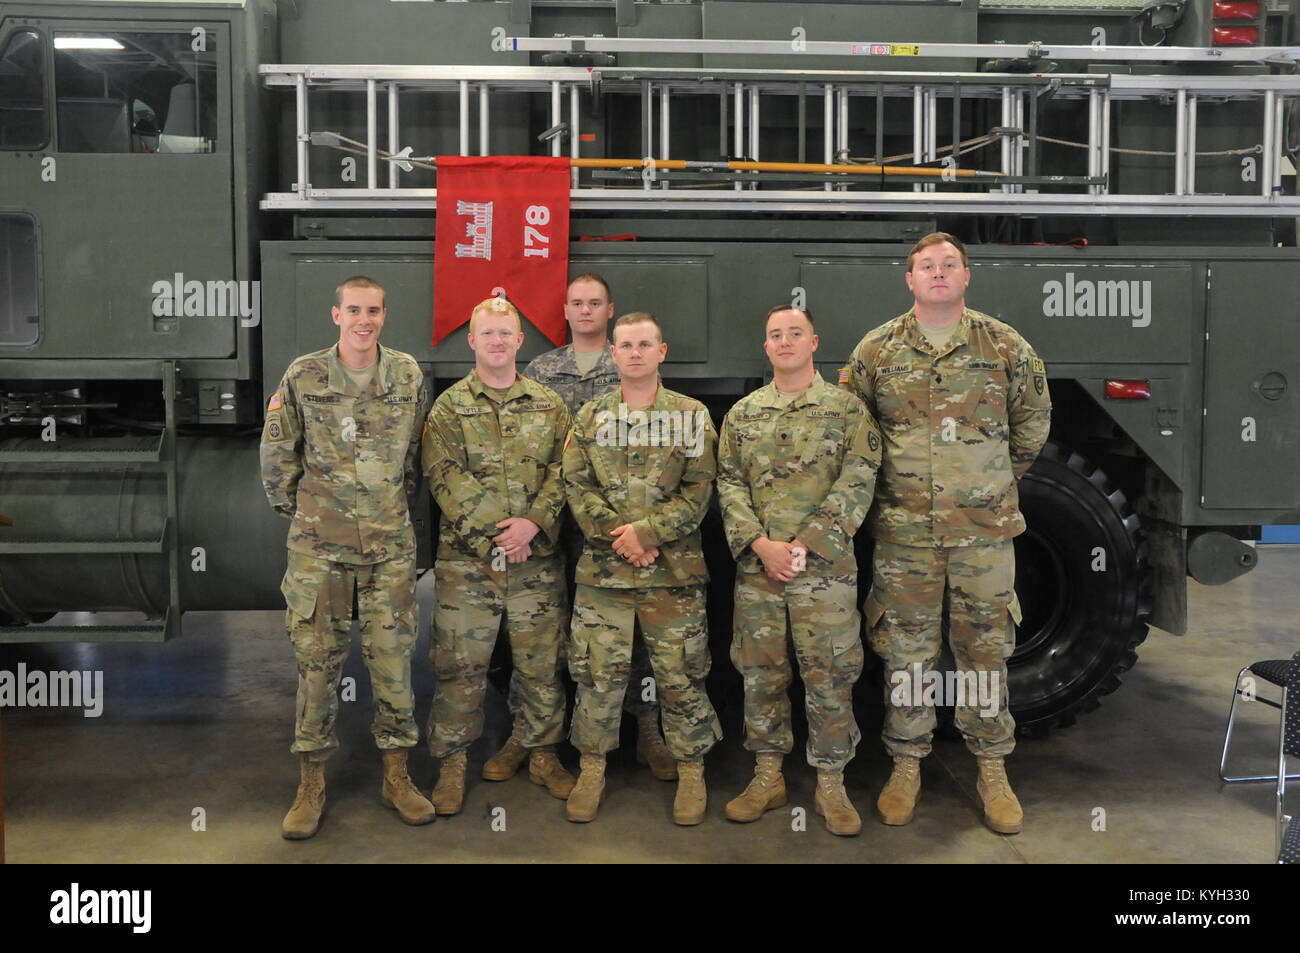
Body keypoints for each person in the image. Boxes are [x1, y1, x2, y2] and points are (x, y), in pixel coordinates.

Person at [842, 232, 1052, 835]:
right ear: (909, 279)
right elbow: (858, 431)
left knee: (984, 652)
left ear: (966, 276)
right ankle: (906, 763)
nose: (938, 274)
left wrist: (988, 481)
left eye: (948, 265)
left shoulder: (1004, 344)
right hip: (904, 534)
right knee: (907, 653)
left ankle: (991, 767)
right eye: (926, 266)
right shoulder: (877, 349)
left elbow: (1032, 422)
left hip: (983, 533)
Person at [477, 274, 676, 786]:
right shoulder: (543, 369)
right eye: (576, 303)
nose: (585, 310)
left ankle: (647, 726)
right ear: (564, 310)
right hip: (550, 526)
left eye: (595, 303)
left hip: (617, 532)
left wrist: (633, 532)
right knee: (539, 636)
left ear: (610, 310)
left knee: (633, 633)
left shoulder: (632, 359)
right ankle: (533, 731)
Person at [261, 275, 434, 839]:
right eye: (354, 310)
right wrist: (312, 517)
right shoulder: (304, 374)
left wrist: (386, 514)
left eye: (374, 311)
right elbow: (278, 454)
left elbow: (414, 458)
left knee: (393, 667)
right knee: (317, 670)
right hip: (320, 553)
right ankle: (310, 786)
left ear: (385, 315)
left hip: (388, 550)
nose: (365, 320)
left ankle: (397, 778)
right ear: (336, 315)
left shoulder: (407, 374)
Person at [717, 305, 882, 836]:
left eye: (794, 333)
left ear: (814, 341)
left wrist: (808, 543)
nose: (784, 341)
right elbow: (728, 485)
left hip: (824, 574)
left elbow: (859, 477)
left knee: (829, 677)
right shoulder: (743, 414)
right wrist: (760, 545)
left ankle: (831, 782)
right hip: (761, 570)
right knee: (761, 675)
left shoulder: (847, 410)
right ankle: (768, 775)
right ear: (765, 347)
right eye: (774, 335)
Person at [562, 312, 722, 824]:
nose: (634, 353)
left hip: (672, 575)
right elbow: (576, 486)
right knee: (599, 676)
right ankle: (592, 769)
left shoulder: (691, 416)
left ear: (661, 351)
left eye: (644, 344)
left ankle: (692, 770)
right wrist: (623, 538)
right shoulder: (589, 417)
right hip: (605, 576)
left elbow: (701, 490)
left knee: (681, 675)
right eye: (625, 345)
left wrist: (647, 535)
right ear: (613, 354)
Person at [421, 296, 575, 815]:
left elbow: (566, 470)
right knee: (460, 666)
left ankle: (543, 755)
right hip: (470, 565)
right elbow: (444, 475)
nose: (496, 341)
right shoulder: (448, 408)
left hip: (537, 560)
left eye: (504, 333)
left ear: (519, 341)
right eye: (486, 333)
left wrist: (534, 524)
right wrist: (500, 532)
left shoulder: (550, 405)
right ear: (472, 341)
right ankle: (452, 764)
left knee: (542, 664)